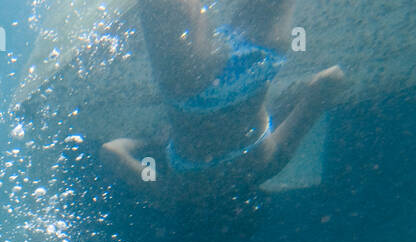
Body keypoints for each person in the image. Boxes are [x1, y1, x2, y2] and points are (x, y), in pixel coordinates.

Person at [101, 0, 346, 212]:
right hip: (191, 90)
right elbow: (111, 152)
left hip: (256, 66)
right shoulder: (176, 193)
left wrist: (284, 104)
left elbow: (328, 81)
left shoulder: (269, 166)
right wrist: (157, 143)